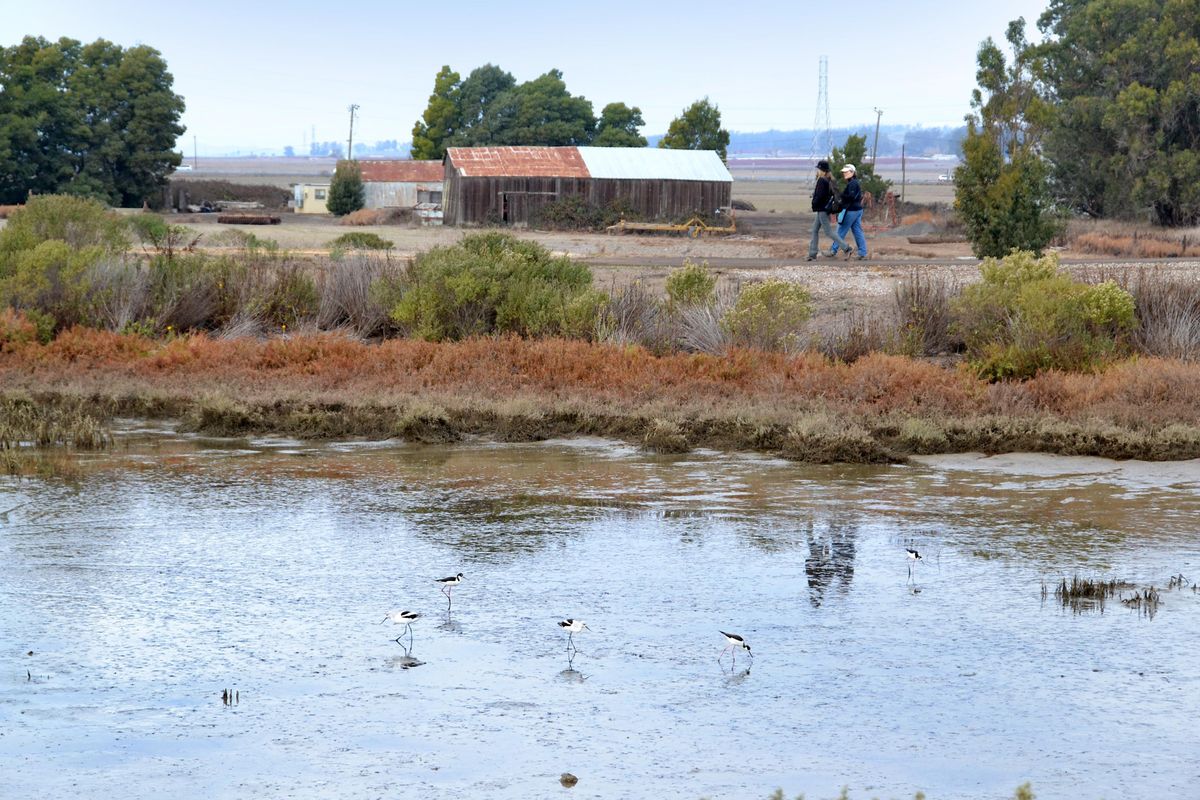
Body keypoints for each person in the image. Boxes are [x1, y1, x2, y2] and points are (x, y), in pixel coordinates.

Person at [806, 160, 849, 261]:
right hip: (824, 209)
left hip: (822, 209)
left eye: (819, 169)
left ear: (822, 170)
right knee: (814, 230)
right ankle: (812, 254)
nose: (818, 171)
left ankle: (846, 248)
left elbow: (819, 196)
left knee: (829, 232)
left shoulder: (822, 180)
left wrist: (814, 204)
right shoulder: (829, 180)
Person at [830, 164, 868, 260]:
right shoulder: (854, 183)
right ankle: (862, 253)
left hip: (851, 211)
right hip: (858, 210)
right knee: (858, 231)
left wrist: (840, 195)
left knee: (841, 231)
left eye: (846, 172)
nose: (844, 173)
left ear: (852, 172)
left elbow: (850, 197)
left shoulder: (852, 184)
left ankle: (832, 251)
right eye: (844, 172)